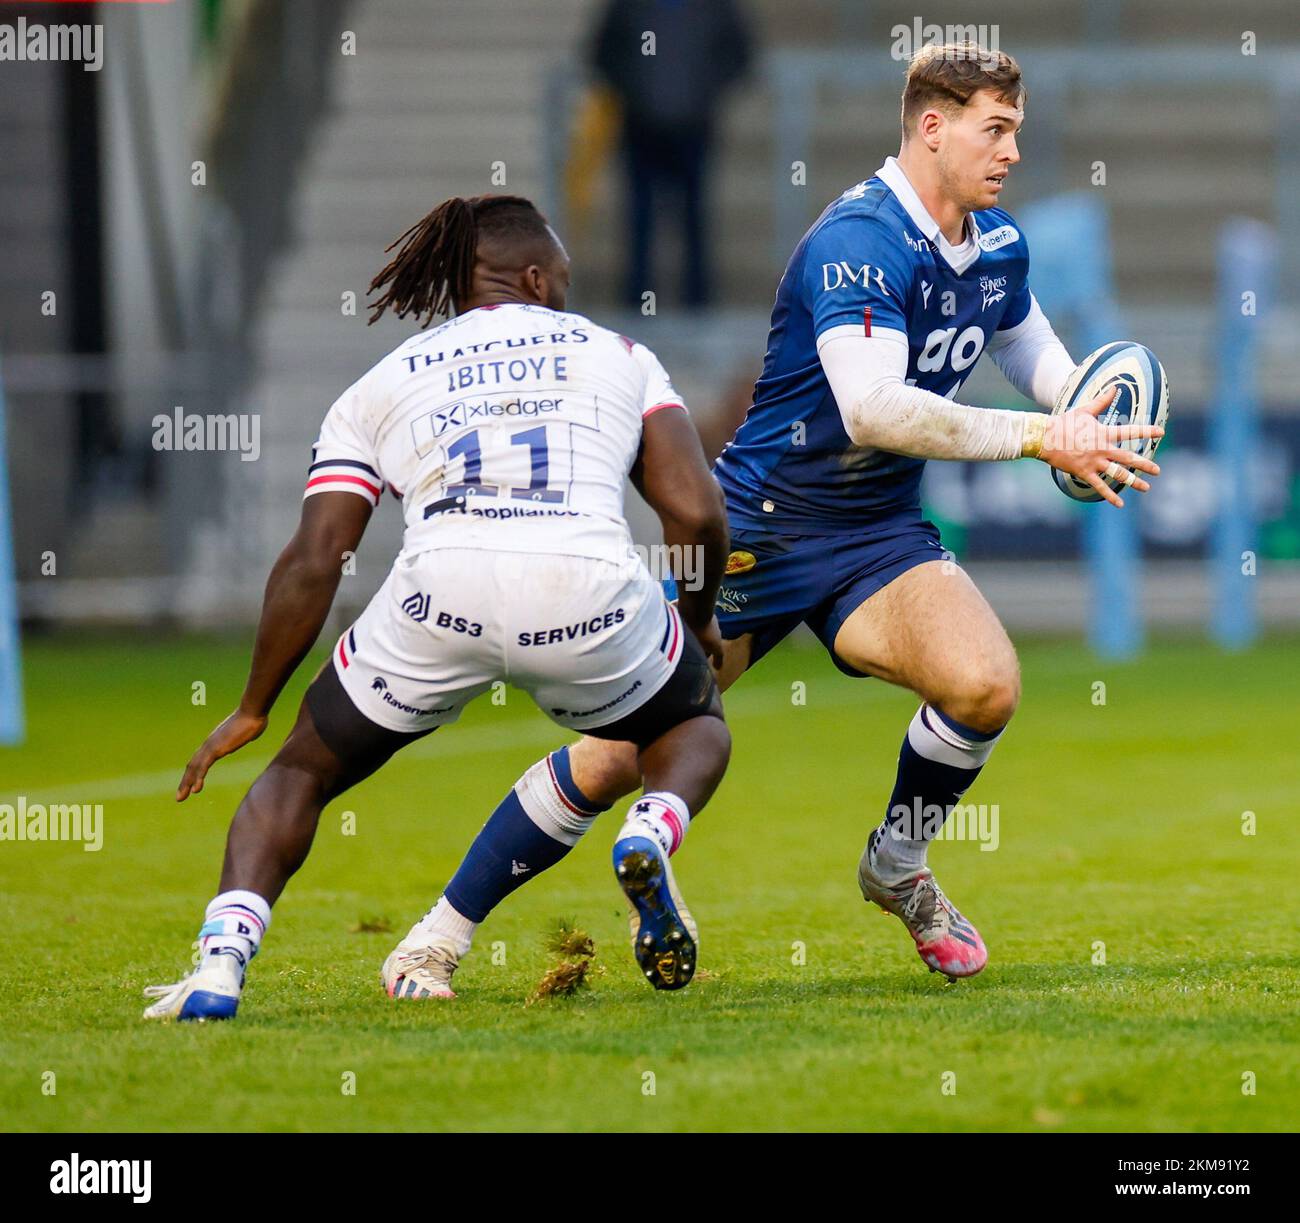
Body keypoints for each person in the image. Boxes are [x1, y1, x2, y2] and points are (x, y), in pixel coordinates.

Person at [488, 43, 1165, 984]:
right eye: (996, 130)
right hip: (754, 527)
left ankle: (898, 865)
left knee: (984, 685)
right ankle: (440, 931)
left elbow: (1023, 340)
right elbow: (873, 408)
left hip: (877, 535)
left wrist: (1079, 414)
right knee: (617, 754)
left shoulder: (997, 240)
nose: (1012, 152)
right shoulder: (860, 239)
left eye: (1018, 131)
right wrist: (1037, 439)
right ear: (933, 127)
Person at [143, 194, 730, 1020]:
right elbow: (697, 513)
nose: (565, 289)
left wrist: (253, 705)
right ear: (534, 277)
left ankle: (221, 964)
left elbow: (314, 559)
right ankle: (652, 827)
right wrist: (696, 621)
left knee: (299, 772)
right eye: (560, 277)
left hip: (437, 596)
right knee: (692, 724)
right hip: (584, 587)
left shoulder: (380, 383)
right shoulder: (620, 354)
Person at [590, 0, 754, 308]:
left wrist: (705, 94)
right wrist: (634, 94)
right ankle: (637, 300)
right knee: (640, 219)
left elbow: (740, 55)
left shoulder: (716, 9)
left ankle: (697, 302)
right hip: (641, 128)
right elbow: (602, 54)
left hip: (694, 128)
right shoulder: (627, 7)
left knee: (694, 218)